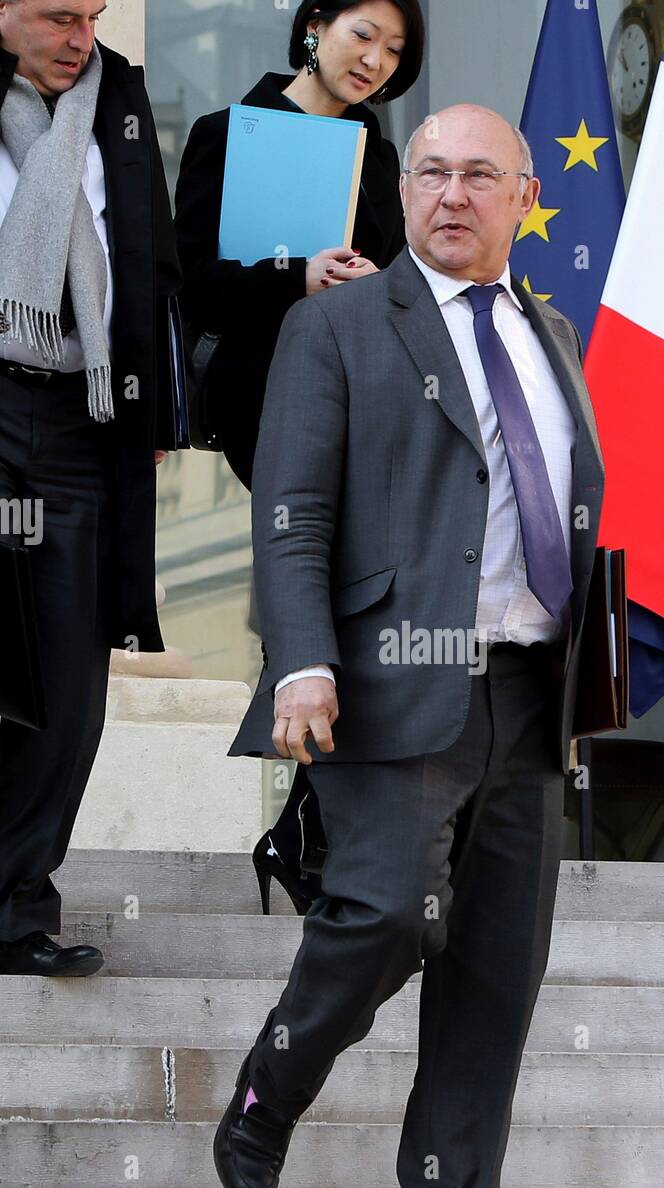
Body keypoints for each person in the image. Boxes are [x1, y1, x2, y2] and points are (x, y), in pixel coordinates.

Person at [218, 102, 606, 1188]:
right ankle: (271, 1079)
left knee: (495, 964)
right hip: (389, 681)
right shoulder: (338, 324)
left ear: (522, 201)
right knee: (382, 913)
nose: (449, 193)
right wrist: (302, 660)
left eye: (478, 175)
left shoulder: (550, 336)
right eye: (429, 171)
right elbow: (292, 512)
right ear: (403, 195)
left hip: (530, 689)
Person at [173, 0, 425, 915]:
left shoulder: (378, 151)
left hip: (358, 391)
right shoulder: (226, 132)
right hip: (263, 385)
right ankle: (307, 827)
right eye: (366, 35)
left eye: (397, 53)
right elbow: (189, 282)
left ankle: (306, 825)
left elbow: (402, 284)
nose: (378, 62)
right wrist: (297, 277)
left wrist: (368, 283)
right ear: (314, 25)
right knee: (315, 567)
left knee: (355, 585)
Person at [0, 0, 182, 977]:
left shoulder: (120, 93)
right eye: (59, 16)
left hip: (82, 409)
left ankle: (18, 909)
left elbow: (148, 250)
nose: (82, 37)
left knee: (68, 679)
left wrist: (151, 410)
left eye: (95, 15)